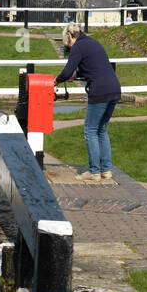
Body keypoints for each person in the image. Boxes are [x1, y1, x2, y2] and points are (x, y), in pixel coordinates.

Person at [55, 22, 121, 185]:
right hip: (114, 88)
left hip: (100, 91)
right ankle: (106, 170)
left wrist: (56, 80)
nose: (69, 46)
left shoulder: (78, 46)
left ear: (70, 36)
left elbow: (68, 70)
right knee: (102, 129)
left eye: (68, 42)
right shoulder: (93, 43)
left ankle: (94, 171)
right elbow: (91, 67)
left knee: (90, 130)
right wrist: (76, 75)